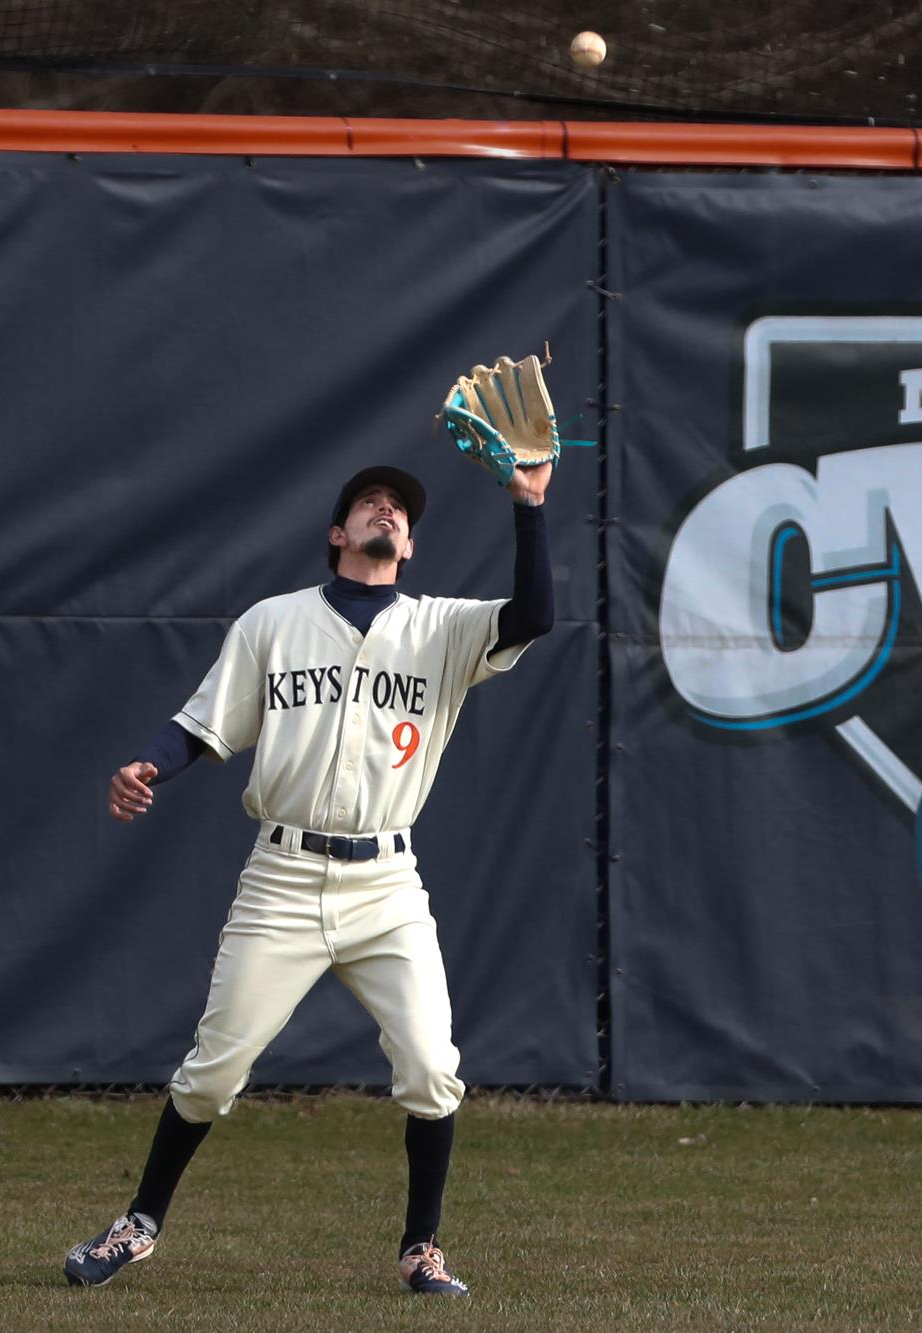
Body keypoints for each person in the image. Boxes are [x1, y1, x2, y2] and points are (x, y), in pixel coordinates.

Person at [64, 454, 555, 1297]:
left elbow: (535, 615)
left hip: (387, 885)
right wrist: (146, 765)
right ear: (337, 532)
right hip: (283, 877)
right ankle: (139, 1223)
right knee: (213, 1073)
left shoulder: (441, 628)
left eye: (399, 508)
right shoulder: (274, 622)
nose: (385, 509)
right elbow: (200, 725)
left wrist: (529, 505)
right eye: (369, 501)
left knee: (432, 1068)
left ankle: (421, 1248)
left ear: (411, 544)